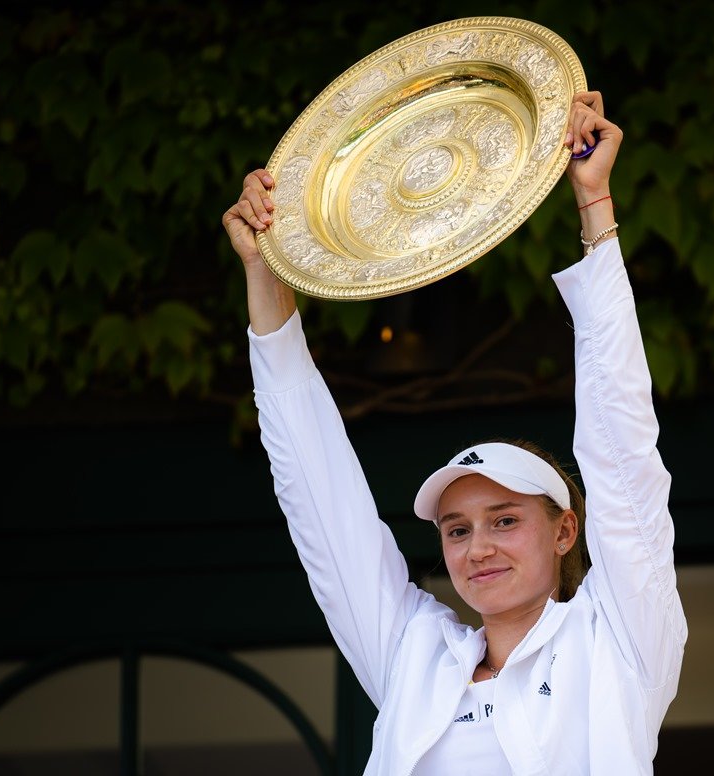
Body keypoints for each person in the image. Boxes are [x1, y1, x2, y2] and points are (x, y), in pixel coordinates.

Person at [222, 91, 687, 775]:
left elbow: (622, 445)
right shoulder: (415, 658)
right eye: (457, 529)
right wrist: (268, 270)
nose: (478, 548)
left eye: (505, 519)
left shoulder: (616, 639)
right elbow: (321, 504)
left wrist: (594, 203)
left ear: (565, 531)